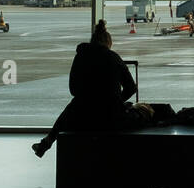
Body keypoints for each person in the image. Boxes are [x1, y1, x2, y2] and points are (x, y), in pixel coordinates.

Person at [32, 20, 137, 157]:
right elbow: (131, 88)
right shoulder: (113, 57)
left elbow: (73, 90)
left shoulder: (81, 57)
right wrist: (117, 100)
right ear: (108, 43)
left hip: (83, 112)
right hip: (110, 114)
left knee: (71, 108)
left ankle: (47, 142)